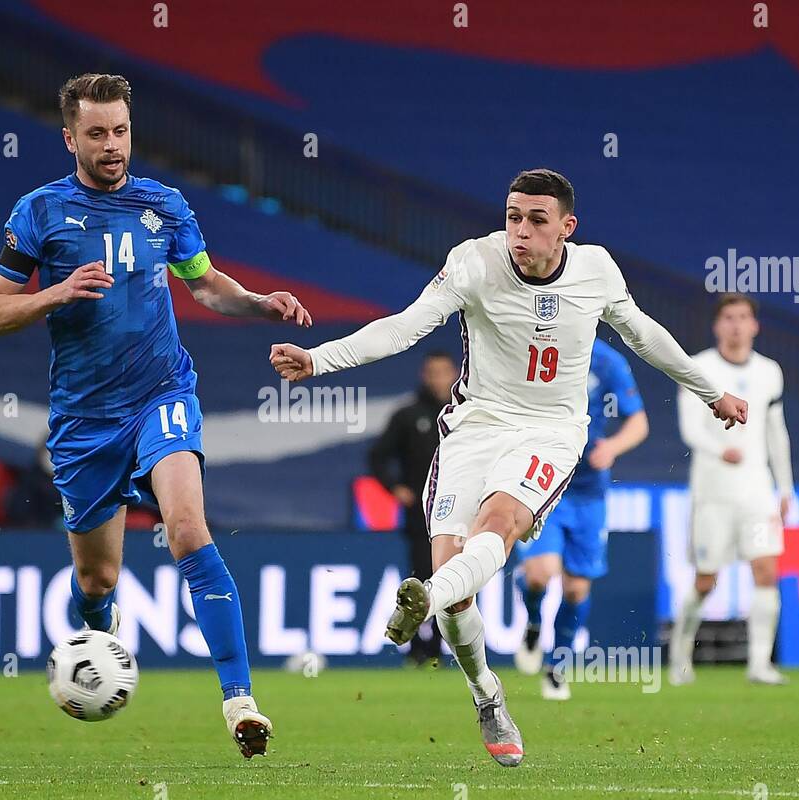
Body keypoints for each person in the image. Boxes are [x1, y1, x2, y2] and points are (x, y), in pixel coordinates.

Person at [270, 169, 746, 766]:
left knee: (498, 523)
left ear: (567, 227)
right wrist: (319, 360)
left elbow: (645, 335)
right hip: (474, 427)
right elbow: (406, 327)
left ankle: (423, 598)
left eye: (536, 220)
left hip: (550, 433)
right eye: (513, 216)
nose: (520, 230)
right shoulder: (474, 262)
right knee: (456, 597)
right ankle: (486, 691)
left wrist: (710, 392)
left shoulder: (596, 271)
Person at [0, 73, 312, 758]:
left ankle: (240, 702)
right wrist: (55, 294)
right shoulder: (39, 213)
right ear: (70, 138)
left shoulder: (164, 205)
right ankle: (100, 628)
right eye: (97, 133)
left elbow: (205, 285)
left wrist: (259, 303)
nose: (112, 145)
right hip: (83, 419)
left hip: (162, 394)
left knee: (187, 529)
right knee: (96, 580)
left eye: (121, 131)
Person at [511, 337, 648, 700]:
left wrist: (613, 446)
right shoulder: (539, 348)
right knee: (540, 573)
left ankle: (557, 667)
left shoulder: (608, 361)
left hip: (589, 491)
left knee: (576, 589)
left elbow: (639, 421)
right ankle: (533, 622)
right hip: (544, 481)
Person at [669, 293, 793, 686]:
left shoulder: (769, 371)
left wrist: (785, 487)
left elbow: (776, 432)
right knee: (706, 581)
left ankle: (759, 664)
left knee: (766, 570)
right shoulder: (699, 368)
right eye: (729, 317)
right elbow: (690, 428)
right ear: (717, 325)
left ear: (755, 325)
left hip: (757, 490)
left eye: (743, 317)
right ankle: (680, 655)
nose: (736, 325)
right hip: (712, 493)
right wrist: (720, 450)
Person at [369, 350, 457, 665]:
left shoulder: (467, 413)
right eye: (433, 373)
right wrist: (395, 487)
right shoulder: (408, 415)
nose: (438, 379)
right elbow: (377, 456)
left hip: (460, 512)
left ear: (454, 374)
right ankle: (419, 645)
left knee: (455, 577)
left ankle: (440, 645)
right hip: (421, 515)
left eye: (443, 372)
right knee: (422, 577)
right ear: (424, 375)